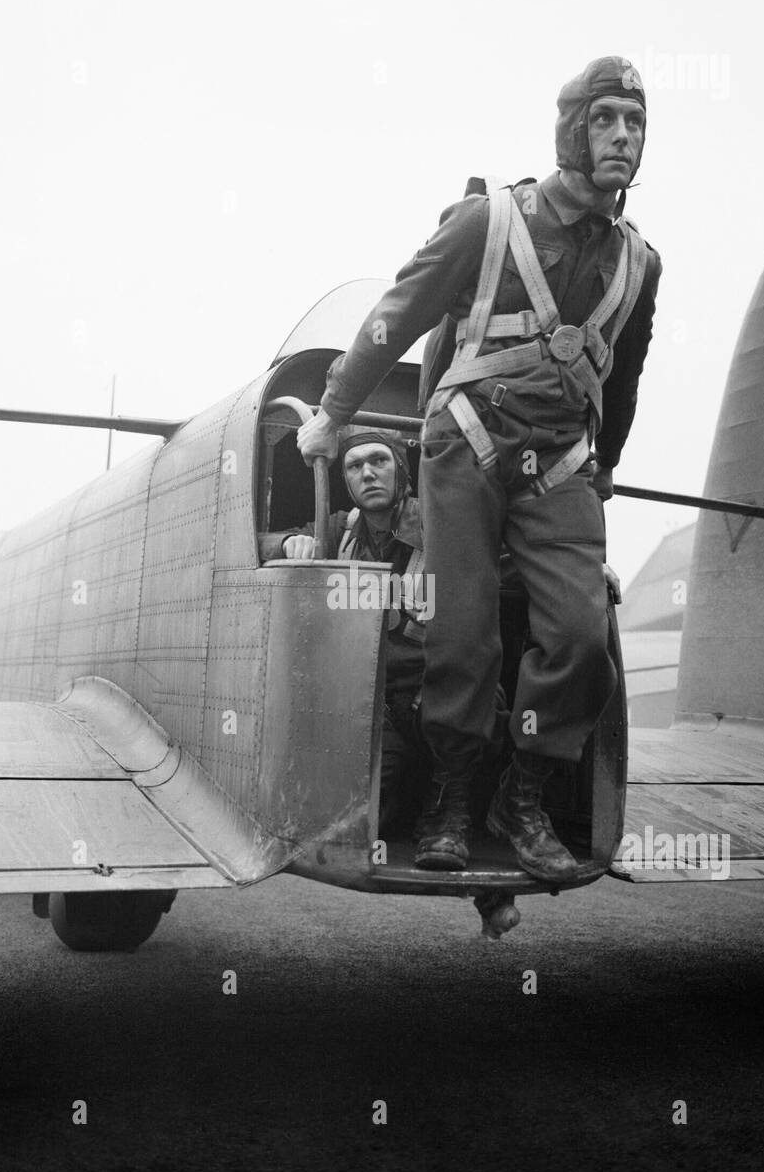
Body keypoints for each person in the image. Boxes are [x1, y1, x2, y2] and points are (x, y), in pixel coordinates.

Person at [298, 56, 662, 885]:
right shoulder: (488, 222)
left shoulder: (641, 263)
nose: (621, 137)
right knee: (461, 636)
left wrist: (605, 471)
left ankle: (522, 794)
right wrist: (336, 408)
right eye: (605, 119)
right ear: (573, 130)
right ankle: (454, 798)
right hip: (466, 445)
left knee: (581, 638)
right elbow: (400, 311)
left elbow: (625, 376)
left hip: (564, 461)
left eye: (634, 124)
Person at [259, 426, 429, 831]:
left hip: (430, 688)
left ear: (401, 471)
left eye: (379, 461)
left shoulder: (439, 523)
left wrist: (587, 570)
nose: (367, 473)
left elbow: (505, 550)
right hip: (365, 697)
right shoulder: (338, 528)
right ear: (347, 481)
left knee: (473, 719)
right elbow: (258, 541)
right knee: (359, 818)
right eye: (355, 466)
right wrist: (287, 545)